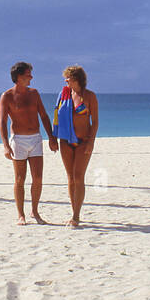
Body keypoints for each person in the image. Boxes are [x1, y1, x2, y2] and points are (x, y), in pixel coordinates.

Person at [0, 62, 57, 225]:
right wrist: (5, 145)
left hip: (36, 139)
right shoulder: (7, 96)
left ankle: (35, 211)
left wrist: (51, 137)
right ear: (18, 77)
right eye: (28, 74)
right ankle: (20, 214)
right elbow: (2, 122)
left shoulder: (34, 93)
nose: (31, 77)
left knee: (38, 178)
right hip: (18, 140)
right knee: (19, 179)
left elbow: (44, 116)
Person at [53, 65, 99, 228]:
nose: (66, 80)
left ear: (77, 79)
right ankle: (74, 211)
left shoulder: (89, 96)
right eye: (65, 78)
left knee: (79, 177)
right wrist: (53, 138)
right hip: (65, 140)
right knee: (70, 178)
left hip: (83, 141)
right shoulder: (63, 95)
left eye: (69, 78)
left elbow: (95, 122)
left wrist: (91, 142)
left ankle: (76, 215)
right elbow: (56, 116)